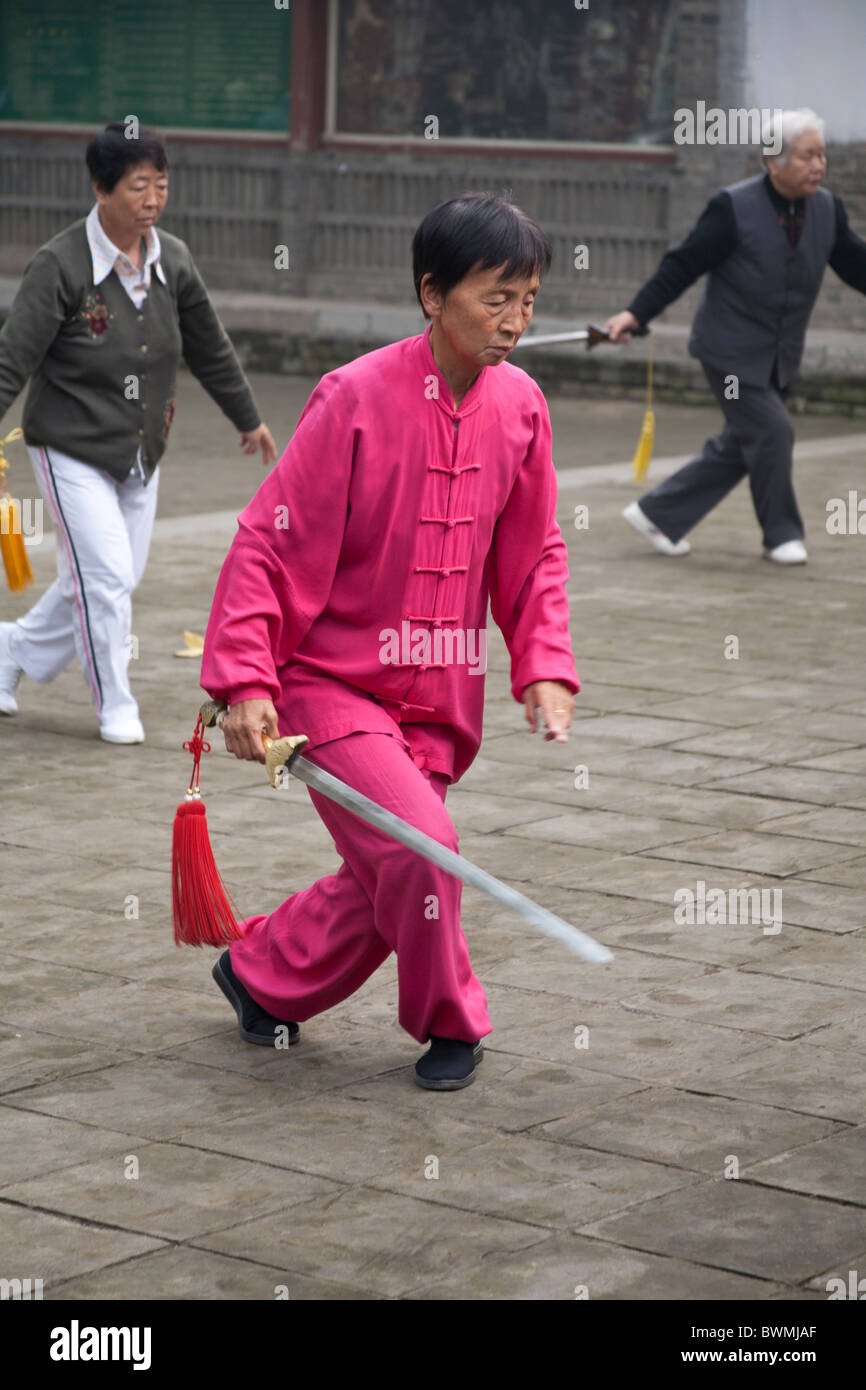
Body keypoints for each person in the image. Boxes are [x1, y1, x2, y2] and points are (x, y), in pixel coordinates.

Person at [201, 193, 579, 1090]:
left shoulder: (523, 407)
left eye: (528, 300)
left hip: (443, 697)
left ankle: (260, 976)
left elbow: (534, 555)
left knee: (389, 865)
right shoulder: (356, 398)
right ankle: (453, 1022)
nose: (515, 323)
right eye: (495, 298)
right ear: (431, 293)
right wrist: (245, 680)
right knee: (420, 848)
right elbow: (270, 540)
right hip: (332, 685)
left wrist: (545, 664)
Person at [0, 122, 277, 742]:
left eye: (161, 184)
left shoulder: (171, 260)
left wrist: (247, 417)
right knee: (102, 579)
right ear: (101, 189)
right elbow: (11, 358)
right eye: (138, 185)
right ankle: (115, 704)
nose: (152, 198)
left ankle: (10, 652)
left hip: (141, 450)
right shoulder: (61, 264)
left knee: (107, 577)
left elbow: (209, 345)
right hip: (68, 446)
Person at [606, 107, 866, 565]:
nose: (819, 166)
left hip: (779, 352)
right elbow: (683, 264)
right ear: (773, 161)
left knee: (743, 442)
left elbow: (855, 263)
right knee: (773, 431)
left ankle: (657, 514)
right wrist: (635, 313)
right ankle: (781, 534)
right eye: (807, 156)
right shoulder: (732, 208)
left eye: (822, 156)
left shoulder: (827, 209)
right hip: (729, 350)